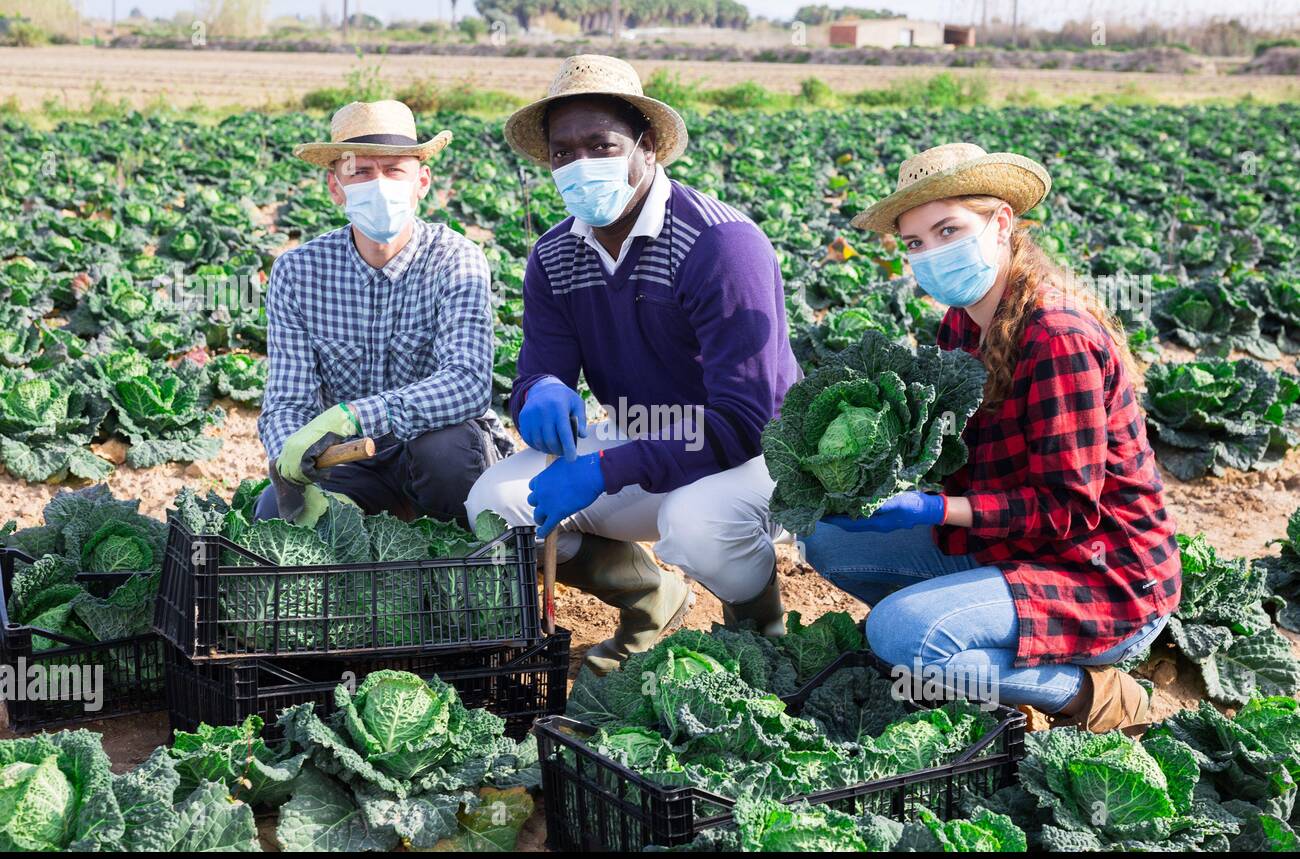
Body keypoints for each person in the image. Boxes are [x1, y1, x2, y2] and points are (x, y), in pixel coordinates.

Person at [800, 143, 1181, 735]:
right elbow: (949, 443)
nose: (931, 255)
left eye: (949, 230)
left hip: (1101, 575)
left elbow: (1067, 509)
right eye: (916, 243)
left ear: (1001, 224)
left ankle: (1092, 691)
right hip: (1010, 545)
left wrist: (931, 508)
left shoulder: (1057, 337)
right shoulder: (963, 318)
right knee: (825, 542)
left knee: (900, 635)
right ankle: (972, 645)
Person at [466, 55, 801, 674]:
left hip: (756, 457)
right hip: (643, 439)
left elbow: (743, 423)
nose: (581, 163)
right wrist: (537, 391)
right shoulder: (555, 256)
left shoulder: (720, 245)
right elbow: (542, 364)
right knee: (498, 504)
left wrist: (607, 468)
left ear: (646, 146)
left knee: (695, 522)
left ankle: (765, 642)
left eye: (602, 144)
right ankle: (650, 600)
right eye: (564, 152)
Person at [254, 100, 508, 528]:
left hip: (442, 451)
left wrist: (355, 414)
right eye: (361, 172)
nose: (379, 184)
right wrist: (292, 461)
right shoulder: (298, 272)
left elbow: (468, 383)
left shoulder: (454, 259)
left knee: (443, 454)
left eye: (394, 170)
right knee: (273, 514)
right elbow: (286, 401)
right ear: (336, 188)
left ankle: (468, 567)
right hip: (349, 459)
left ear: (421, 181)